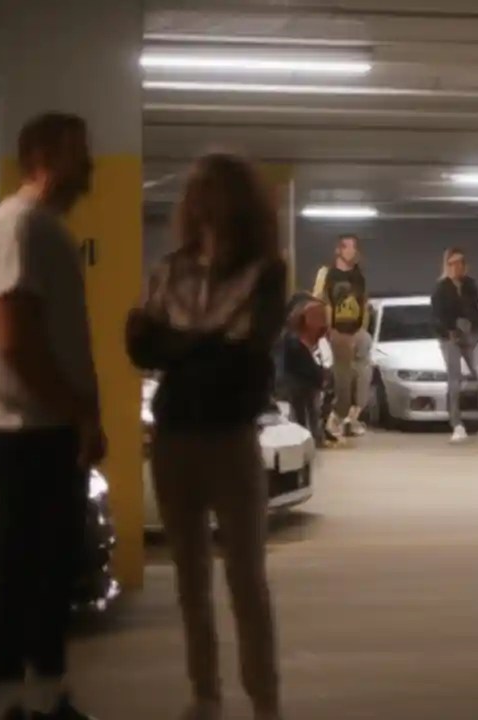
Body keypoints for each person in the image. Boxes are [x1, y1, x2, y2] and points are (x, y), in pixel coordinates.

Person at [126, 153, 288, 720]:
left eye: (209, 190)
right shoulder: (170, 267)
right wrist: (206, 343)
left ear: (236, 199)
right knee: (189, 578)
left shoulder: (267, 270)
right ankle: (205, 695)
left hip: (230, 436)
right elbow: (139, 346)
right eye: (193, 192)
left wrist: (177, 343)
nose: (198, 202)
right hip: (173, 436)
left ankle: (264, 700)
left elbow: (251, 348)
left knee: (246, 576)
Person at [0, 112, 104, 720]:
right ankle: (4, 701)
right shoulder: (18, 225)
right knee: (19, 568)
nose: (92, 166)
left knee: (51, 569)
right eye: (81, 153)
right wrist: (77, 410)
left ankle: (48, 695)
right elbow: (14, 337)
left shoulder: (43, 227)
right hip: (25, 434)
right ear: (45, 157)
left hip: (50, 431)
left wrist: (80, 418)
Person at [431, 247, 478, 443]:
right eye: (452, 263)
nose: (457, 267)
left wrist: (471, 326)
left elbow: (475, 310)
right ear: (447, 265)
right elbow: (437, 317)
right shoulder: (441, 289)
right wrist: (452, 329)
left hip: (470, 337)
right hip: (449, 338)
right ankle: (457, 425)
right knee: (455, 379)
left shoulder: (470, 285)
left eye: (460, 263)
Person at [312, 234, 373, 439]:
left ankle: (353, 415)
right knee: (342, 379)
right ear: (339, 250)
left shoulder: (358, 276)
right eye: (348, 247)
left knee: (363, 369)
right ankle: (336, 416)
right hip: (336, 330)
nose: (352, 251)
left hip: (356, 330)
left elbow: (364, 302)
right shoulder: (328, 274)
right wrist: (327, 330)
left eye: (354, 247)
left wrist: (362, 327)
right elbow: (320, 301)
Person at [277, 297, 329, 445]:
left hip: (297, 381)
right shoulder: (295, 342)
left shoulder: (290, 339)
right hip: (301, 382)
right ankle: (310, 439)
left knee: (305, 411)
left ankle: (310, 438)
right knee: (307, 411)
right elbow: (305, 365)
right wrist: (320, 377)